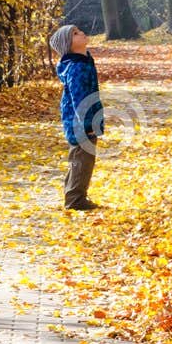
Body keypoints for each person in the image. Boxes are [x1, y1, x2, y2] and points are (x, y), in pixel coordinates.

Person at [49, 23, 103, 211]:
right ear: (68, 45)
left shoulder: (83, 61)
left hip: (87, 119)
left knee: (81, 159)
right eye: (75, 34)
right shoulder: (76, 67)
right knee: (82, 160)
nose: (82, 33)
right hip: (80, 122)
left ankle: (75, 194)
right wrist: (87, 123)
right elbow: (79, 98)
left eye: (79, 30)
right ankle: (75, 200)